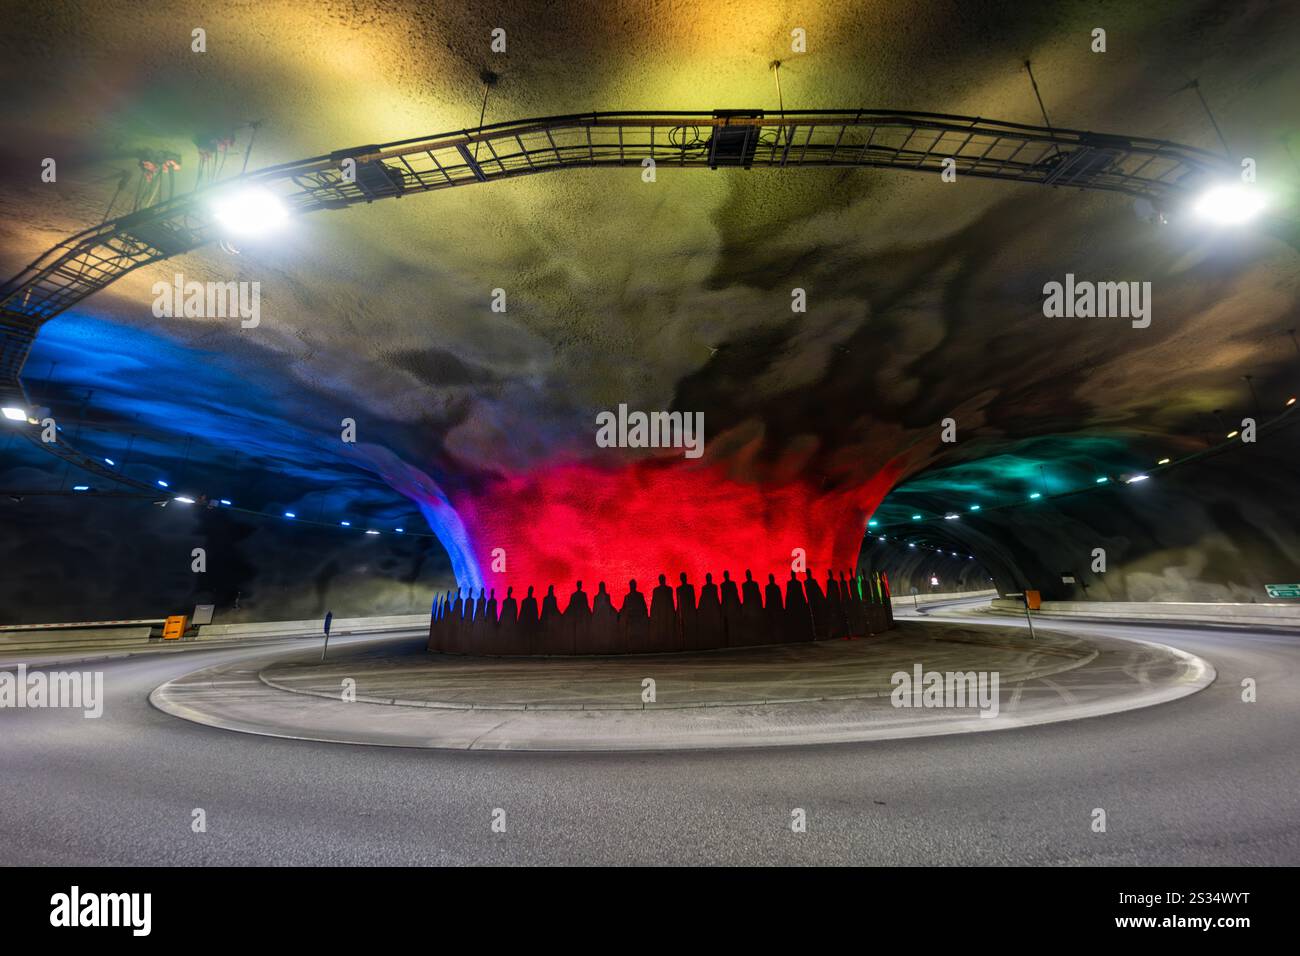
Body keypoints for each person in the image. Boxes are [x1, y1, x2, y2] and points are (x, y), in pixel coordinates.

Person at [619, 579, 650, 650]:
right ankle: (634, 648)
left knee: (636, 635)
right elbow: (624, 608)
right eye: (631, 585)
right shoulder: (630, 596)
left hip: (637, 619)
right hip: (632, 619)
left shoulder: (633, 596)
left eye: (632, 585)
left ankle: (636, 648)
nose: (632, 587)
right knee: (633, 635)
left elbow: (644, 607)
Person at [650, 574, 676, 653]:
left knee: (663, 629)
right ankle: (665, 645)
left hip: (662, 613)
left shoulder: (658, 590)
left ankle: (664, 645)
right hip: (663, 613)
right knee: (664, 629)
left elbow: (654, 603)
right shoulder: (668, 589)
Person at [697, 572, 724, 648]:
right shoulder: (712, 587)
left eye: (708, 578)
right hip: (711, 609)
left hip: (710, 609)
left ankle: (713, 641)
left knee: (712, 625)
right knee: (712, 625)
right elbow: (705, 598)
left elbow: (704, 599)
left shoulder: (707, 588)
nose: (708, 579)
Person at [591, 581, 618, 654]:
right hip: (601, 617)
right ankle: (601, 647)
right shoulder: (597, 597)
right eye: (601, 586)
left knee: (604, 632)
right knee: (602, 632)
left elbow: (609, 606)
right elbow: (595, 608)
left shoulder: (604, 596)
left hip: (604, 617)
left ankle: (604, 646)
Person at [739, 570, 764, 646]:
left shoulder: (753, 584)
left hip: (754, 606)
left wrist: (760, 605)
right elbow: (745, 597)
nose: (748, 576)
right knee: (751, 624)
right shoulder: (745, 585)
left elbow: (758, 595)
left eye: (749, 574)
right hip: (750, 606)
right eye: (748, 574)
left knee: (755, 623)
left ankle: (756, 639)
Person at [565, 581, 591, 655]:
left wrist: (564, 613)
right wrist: (590, 613)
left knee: (576, 633)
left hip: (576, 616)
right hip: (581, 616)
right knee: (580, 632)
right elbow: (586, 605)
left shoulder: (574, 595)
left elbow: (570, 606)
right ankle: (581, 649)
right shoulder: (583, 595)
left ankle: (576, 649)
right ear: (580, 586)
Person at [675, 572, 698, 651]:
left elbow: (693, 599)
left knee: (689, 628)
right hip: (684, 611)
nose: (683, 579)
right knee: (685, 628)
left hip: (688, 610)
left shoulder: (689, 588)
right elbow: (678, 602)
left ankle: (690, 644)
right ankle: (686, 644)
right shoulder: (679, 589)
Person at [719, 571, 742, 647]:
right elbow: (734, 595)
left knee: (732, 624)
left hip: (730, 606)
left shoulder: (725, 585)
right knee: (731, 624)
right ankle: (732, 641)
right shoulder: (728, 584)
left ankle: (732, 641)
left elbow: (735, 595)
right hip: (730, 606)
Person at [519, 585, 540, 654]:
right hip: (528, 621)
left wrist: (537, 619)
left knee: (530, 635)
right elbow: (522, 612)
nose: (530, 592)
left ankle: (530, 649)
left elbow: (536, 611)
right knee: (528, 635)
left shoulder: (530, 601)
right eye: (530, 590)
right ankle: (527, 649)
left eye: (531, 590)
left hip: (530, 620)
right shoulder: (525, 601)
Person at [764, 573, 784, 645]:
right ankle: (776, 639)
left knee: (774, 624)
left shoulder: (769, 587)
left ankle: (776, 639)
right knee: (774, 624)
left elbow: (778, 598)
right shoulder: (774, 587)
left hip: (773, 608)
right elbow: (779, 598)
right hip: (773, 608)